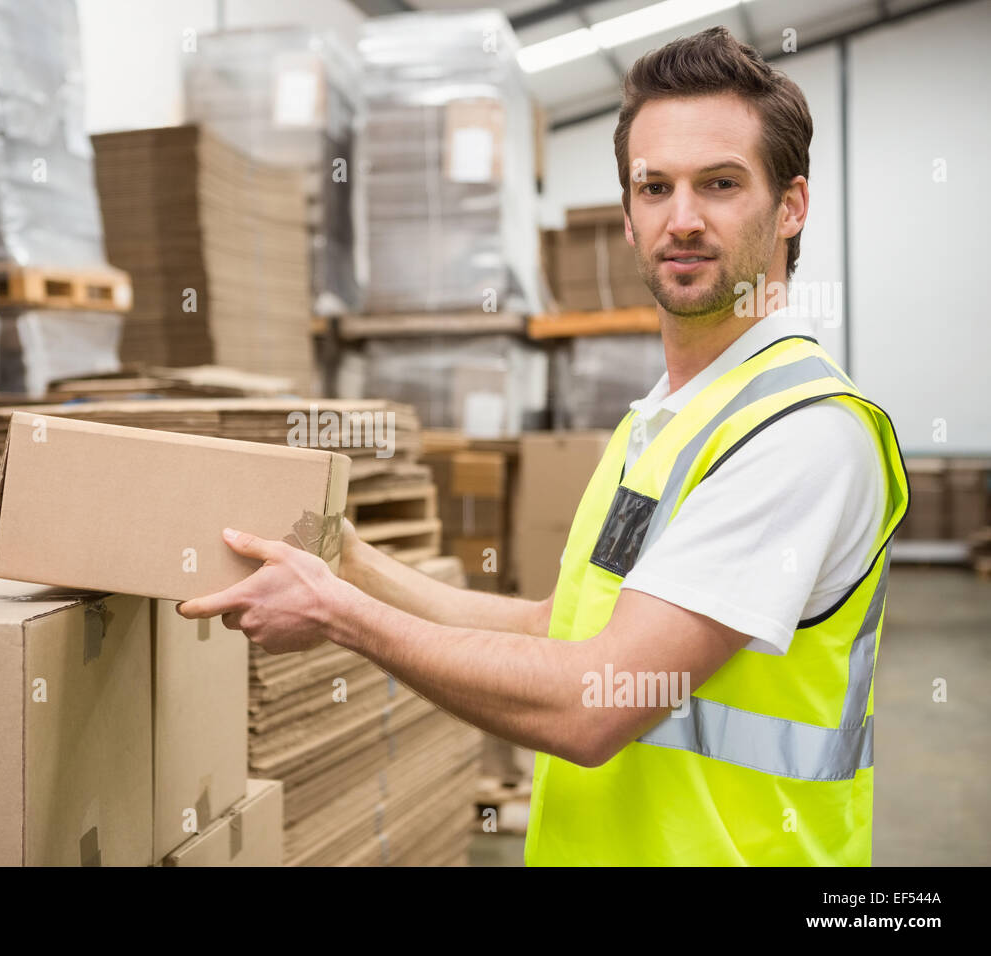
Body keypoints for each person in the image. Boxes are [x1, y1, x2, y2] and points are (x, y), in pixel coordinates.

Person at [178, 26, 909, 866]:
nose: (682, 219)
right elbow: (555, 632)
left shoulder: (805, 434)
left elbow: (595, 704)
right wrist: (350, 561)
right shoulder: (664, 419)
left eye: (720, 184)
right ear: (627, 221)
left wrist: (340, 616)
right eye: (654, 186)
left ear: (791, 206)